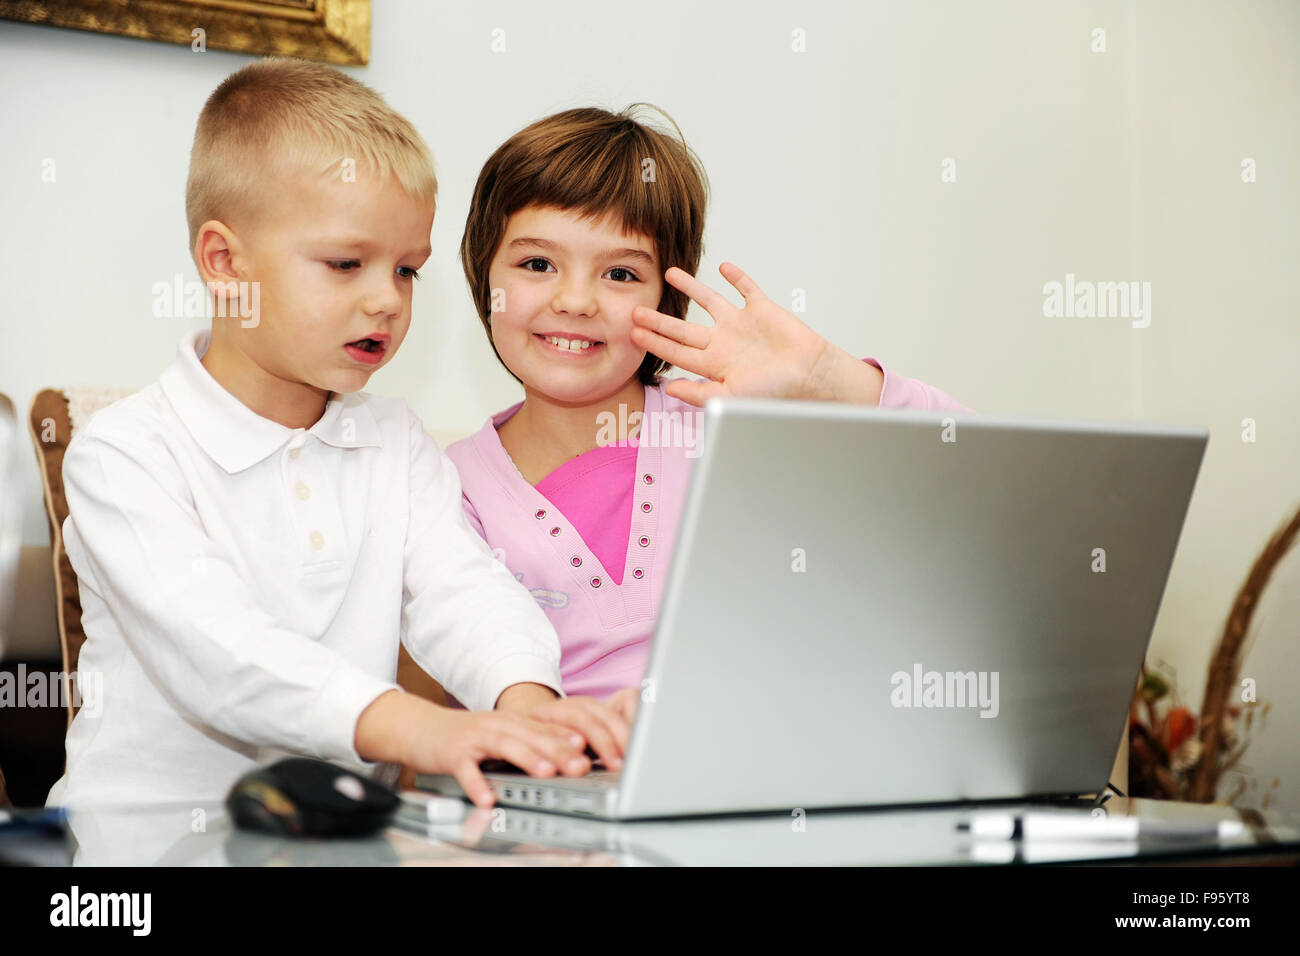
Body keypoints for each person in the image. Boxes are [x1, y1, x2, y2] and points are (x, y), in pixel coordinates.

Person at [47, 59, 629, 812]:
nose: (386, 299)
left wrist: (525, 702)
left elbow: (465, 589)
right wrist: (425, 731)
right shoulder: (124, 455)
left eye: (408, 270)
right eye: (346, 263)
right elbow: (223, 654)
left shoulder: (395, 441)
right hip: (146, 845)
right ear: (226, 263)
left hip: (352, 836)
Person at [444, 106, 971, 703]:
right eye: (538, 264)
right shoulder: (448, 486)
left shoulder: (727, 433)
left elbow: (975, 481)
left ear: (669, 297)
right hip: (561, 777)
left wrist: (829, 376)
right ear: (482, 272)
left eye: (619, 273)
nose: (576, 300)